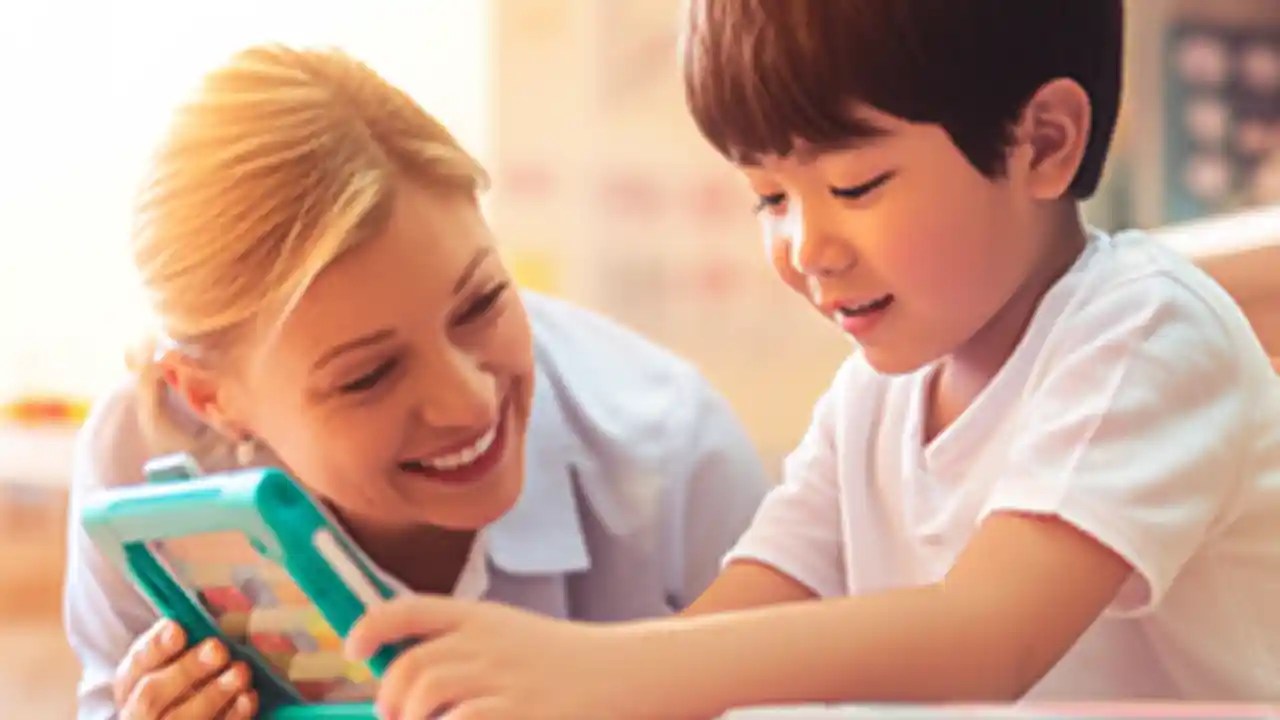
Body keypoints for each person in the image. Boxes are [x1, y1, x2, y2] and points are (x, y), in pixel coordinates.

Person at [341, 2, 1280, 717]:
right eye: (768, 198)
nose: (804, 247)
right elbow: (749, 612)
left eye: (852, 185)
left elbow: (989, 635)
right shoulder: (876, 392)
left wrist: (597, 671)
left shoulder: (1144, 330)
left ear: (1043, 143)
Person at [62, 45, 769, 720]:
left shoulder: (675, 467)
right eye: (369, 375)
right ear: (210, 399)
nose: (469, 401)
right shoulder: (135, 476)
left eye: (482, 303)